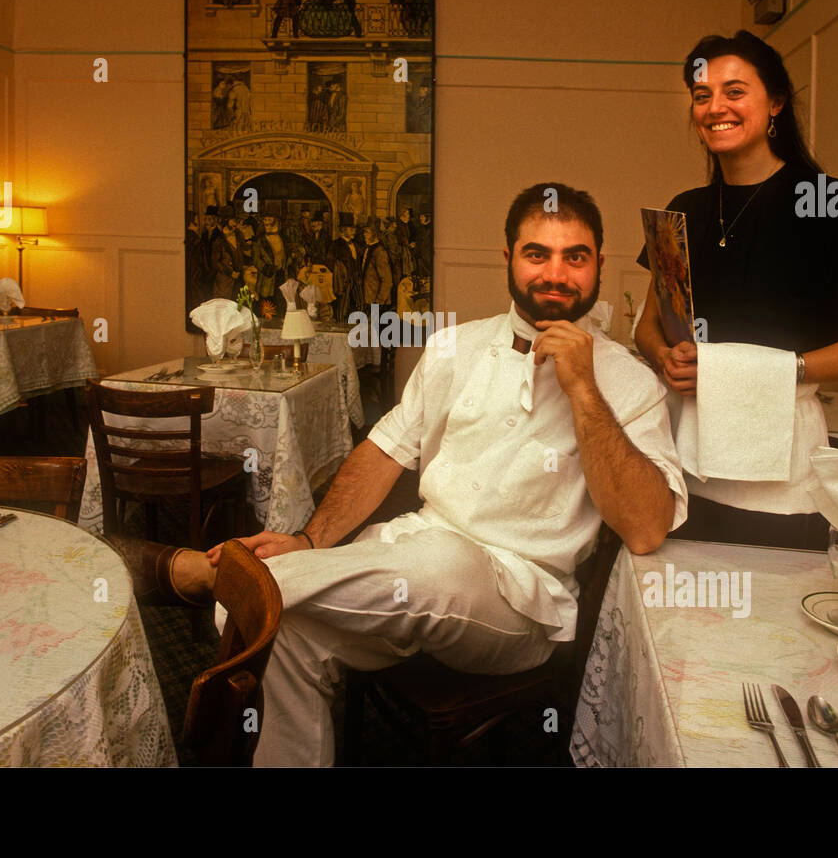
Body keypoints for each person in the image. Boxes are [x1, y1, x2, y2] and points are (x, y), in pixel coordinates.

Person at [132, 182, 686, 766]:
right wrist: (309, 539)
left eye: (575, 256)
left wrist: (583, 387)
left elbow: (647, 529)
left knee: (441, 563)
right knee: (288, 629)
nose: (556, 272)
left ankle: (219, 579)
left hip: (523, 603)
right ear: (508, 260)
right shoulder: (453, 347)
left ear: (599, 265)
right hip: (406, 563)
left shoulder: (631, 383)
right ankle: (266, 589)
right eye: (537, 254)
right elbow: (382, 452)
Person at [635, 30, 838, 549]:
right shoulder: (683, 207)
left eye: (735, 91)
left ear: (775, 101)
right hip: (683, 458)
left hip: (783, 476)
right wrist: (666, 356)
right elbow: (648, 326)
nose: (715, 107)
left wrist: (765, 371)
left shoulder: (831, 203)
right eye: (702, 94)